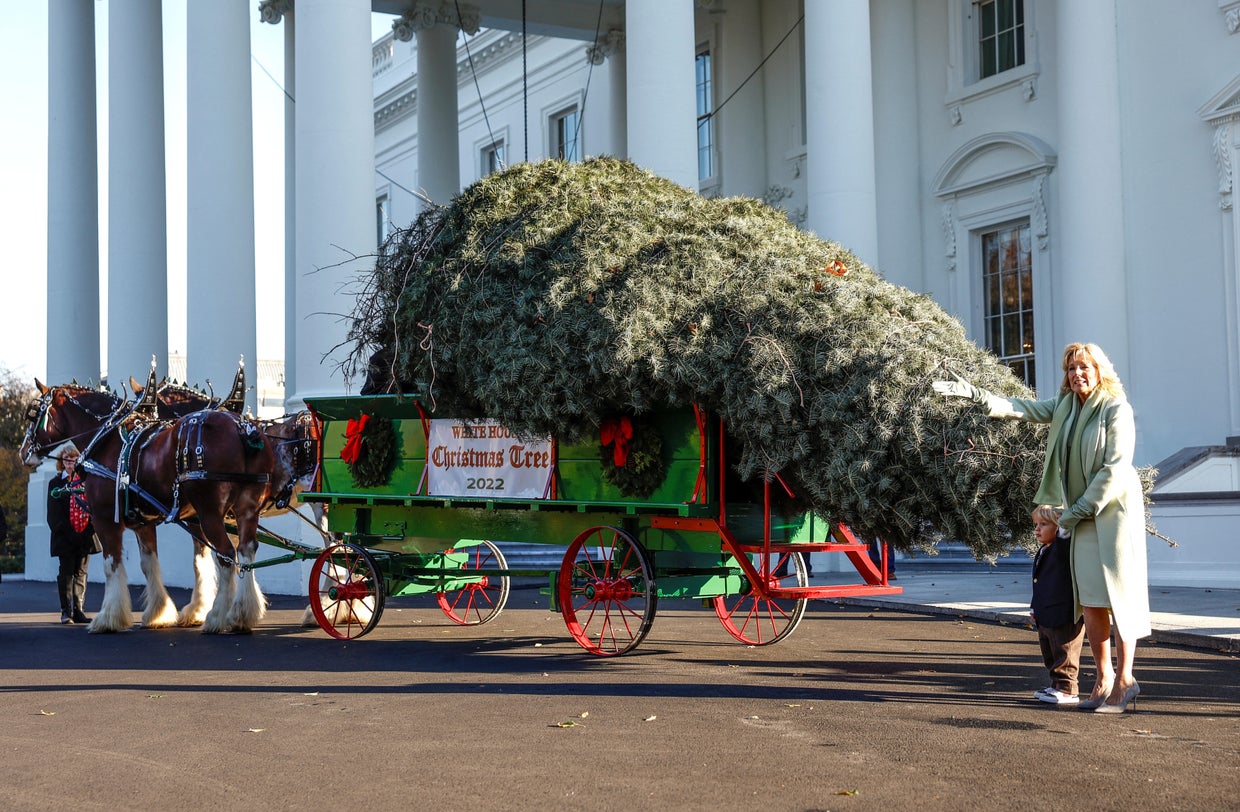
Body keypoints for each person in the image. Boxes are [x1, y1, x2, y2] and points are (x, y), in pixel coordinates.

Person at [934, 342, 1151, 713]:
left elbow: (1114, 469)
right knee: (1092, 600)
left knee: (1119, 596)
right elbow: (1023, 408)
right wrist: (975, 394)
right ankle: (1102, 680)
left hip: (1112, 512)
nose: (1077, 374)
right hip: (1079, 516)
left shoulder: (1117, 408)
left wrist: (1073, 512)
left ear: (1100, 371)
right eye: (1071, 369)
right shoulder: (1066, 406)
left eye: (1084, 367)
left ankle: (1126, 679)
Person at [1029, 505, 1085, 705]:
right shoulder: (1043, 550)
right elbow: (1039, 582)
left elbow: (1065, 537)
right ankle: (1056, 685)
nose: (1037, 529)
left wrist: (1064, 523)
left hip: (1063, 613)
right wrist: (1034, 608)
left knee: (1065, 652)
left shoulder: (1061, 549)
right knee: (1050, 652)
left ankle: (1068, 689)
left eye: (1043, 524)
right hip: (1046, 613)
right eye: (1036, 524)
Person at [47, 442, 94, 625]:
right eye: (66, 459)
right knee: (66, 573)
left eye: (74, 459)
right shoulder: (55, 483)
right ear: (61, 462)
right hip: (65, 538)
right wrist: (69, 533)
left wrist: (86, 532)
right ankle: (66, 611)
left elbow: (92, 508)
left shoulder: (86, 482)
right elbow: (53, 515)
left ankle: (79, 610)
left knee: (81, 573)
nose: (70, 462)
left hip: (84, 536)